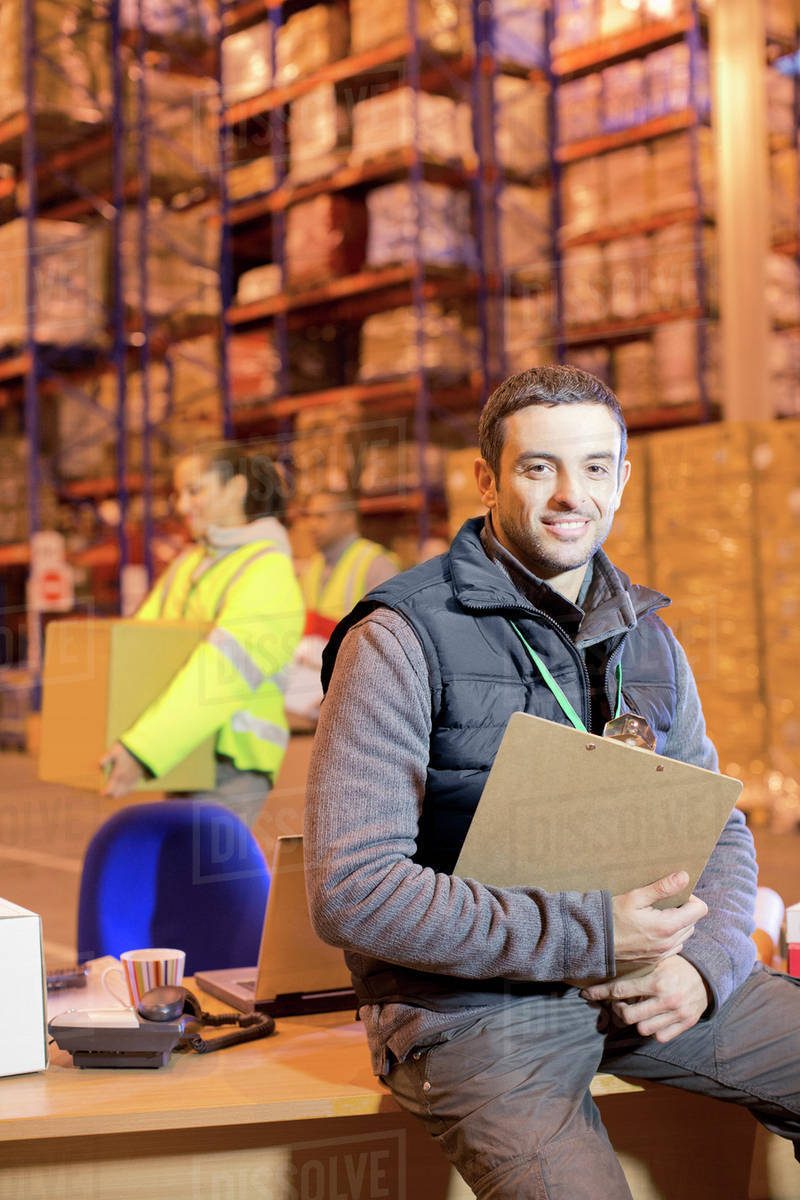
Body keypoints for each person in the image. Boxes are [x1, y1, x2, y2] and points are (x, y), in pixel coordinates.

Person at [304, 366, 800, 1197]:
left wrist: (704, 968)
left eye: (596, 468)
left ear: (622, 479)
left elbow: (720, 829)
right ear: (487, 479)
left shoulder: (650, 643)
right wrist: (592, 935)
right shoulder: (400, 637)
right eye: (540, 468)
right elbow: (353, 890)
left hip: (637, 983)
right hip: (469, 1009)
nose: (573, 494)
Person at [101, 444, 304, 829]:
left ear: (236, 490)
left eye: (195, 491)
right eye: (178, 494)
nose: (182, 505)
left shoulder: (267, 573)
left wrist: (144, 749)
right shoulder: (190, 565)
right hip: (184, 754)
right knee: (179, 881)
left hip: (232, 762)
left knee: (202, 881)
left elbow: (220, 675)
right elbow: (138, 645)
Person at [284, 488, 399, 722]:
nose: (312, 525)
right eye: (309, 517)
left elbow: (390, 645)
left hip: (360, 703)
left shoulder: (376, 564)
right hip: (315, 698)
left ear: (348, 520)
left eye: (322, 517)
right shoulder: (313, 568)